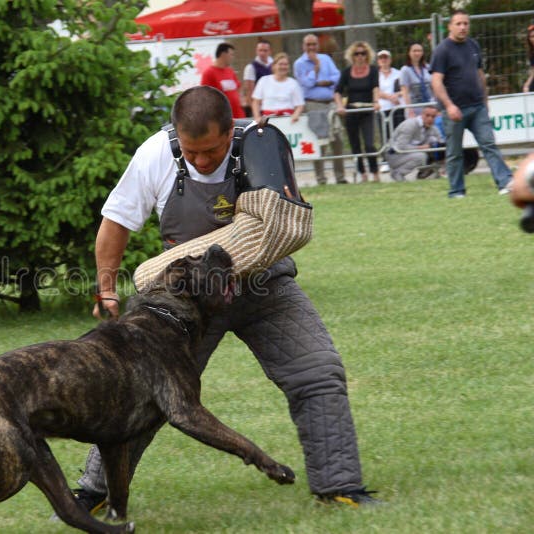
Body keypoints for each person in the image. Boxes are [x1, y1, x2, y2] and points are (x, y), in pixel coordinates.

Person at [70, 86, 378, 514]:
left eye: (211, 151)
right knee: (143, 393)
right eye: (192, 152)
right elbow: (116, 222)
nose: (200, 161)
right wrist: (106, 287)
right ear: (178, 135)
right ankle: (93, 492)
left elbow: (286, 223)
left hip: (263, 284)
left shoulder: (259, 145)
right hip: (182, 303)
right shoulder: (156, 153)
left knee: (318, 371)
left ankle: (340, 486)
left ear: (230, 130)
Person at [430, 9, 513, 198]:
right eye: (458, 24)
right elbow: (436, 81)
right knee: (454, 152)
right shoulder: (443, 50)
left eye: (465, 23)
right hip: (455, 110)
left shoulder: (473, 46)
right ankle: (457, 191)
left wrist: (485, 100)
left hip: (477, 107)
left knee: (489, 144)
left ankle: (505, 182)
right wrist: (449, 105)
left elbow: (480, 75)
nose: (462, 27)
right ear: (450, 26)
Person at [294, 33, 347, 185]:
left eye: (314, 44)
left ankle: (340, 176)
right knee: (319, 142)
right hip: (313, 104)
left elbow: (337, 77)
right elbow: (306, 84)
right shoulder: (299, 64)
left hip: (330, 103)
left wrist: (324, 82)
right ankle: (321, 178)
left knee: (337, 140)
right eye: (308, 45)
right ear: (303, 46)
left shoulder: (326, 59)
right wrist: (316, 69)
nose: (311, 48)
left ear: (318, 45)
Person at [335, 41, 381, 183]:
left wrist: (376, 101)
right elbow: (337, 91)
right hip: (352, 110)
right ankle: (362, 174)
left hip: (367, 109)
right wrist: (339, 106)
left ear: (367, 55)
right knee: (355, 144)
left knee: (369, 144)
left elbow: (375, 88)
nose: (360, 56)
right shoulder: (347, 72)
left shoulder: (373, 70)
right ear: (352, 56)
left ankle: (375, 172)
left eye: (363, 53)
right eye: (357, 54)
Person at [385, 105, 444, 182]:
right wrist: (421, 148)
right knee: (421, 156)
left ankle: (428, 173)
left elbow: (442, 143)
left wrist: (438, 147)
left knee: (436, 146)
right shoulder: (410, 125)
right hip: (394, 155)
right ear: (422, 115)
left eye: (433, 116)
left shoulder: (433, 128)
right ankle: (398, 173)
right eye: (427, 115)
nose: (430, 119)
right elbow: (400, 147)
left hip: (409, 153)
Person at [250, 52, 304, 122]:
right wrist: (257, 117)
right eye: (280, 64)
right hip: (267, 121)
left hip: (288, 120)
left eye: (286, 64)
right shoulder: (264, 80)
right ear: (274, 66)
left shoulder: (293, 83)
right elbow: (256, 102)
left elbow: (300, 105)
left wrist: (296, 115)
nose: (283, 67)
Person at [376, 49, 404, 170]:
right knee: (385, 134)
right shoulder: (375, 75)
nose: (384, 60)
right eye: (381, 58)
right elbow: (375, 92)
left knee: (397, 134)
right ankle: (386, 160)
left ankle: (398, 159)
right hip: (383, 108)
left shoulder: (398, 73)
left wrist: (396, 96)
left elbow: (404, 89)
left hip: (396, 108)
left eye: (386, 58)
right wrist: (389, 97)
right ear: (378, 61)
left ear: (390, 60)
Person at [202, 42, 246, 118]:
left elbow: (238, 87)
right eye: (231, 54)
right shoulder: (209, 73)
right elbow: (205, 95)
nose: (233, 57)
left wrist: (241, 99)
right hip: (222, 117)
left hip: (238, 114)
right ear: (223, 54)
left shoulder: (230, 71)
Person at [399, 42, 434, 118]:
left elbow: (433, 86)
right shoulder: (405, 70)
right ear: (409, 53)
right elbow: (405, 91)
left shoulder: (427, 67)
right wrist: (409, 109)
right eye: (414, 51)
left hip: (429, 107)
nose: (417, 53)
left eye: (419, 51)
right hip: (415, 107)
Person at [242, 39, 274, 115]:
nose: (262, 53)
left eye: (265, 50)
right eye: (260, 50)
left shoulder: (274, 65)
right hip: (259, 106)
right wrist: (254, 109)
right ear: (256, 51)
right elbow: (249, 90)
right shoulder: (251, 67)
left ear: (270, 51)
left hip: (273, 104)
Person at [523, 24, 534, 93]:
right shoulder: (531, 53)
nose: (533, 39)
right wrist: (527, 84)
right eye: (531, 37)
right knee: (529, 88)